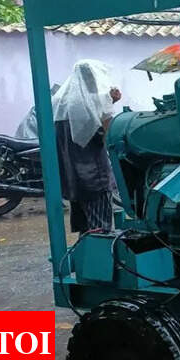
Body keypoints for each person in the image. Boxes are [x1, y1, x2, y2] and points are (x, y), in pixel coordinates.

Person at [53, 60, 121, 233]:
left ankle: (86, 259)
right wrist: (108, 105)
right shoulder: (93, 103)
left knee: (86, 230)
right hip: (94, 179)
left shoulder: (60, 101)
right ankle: (101, 260)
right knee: (101, 229)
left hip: (72, 180)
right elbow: (106, 138)